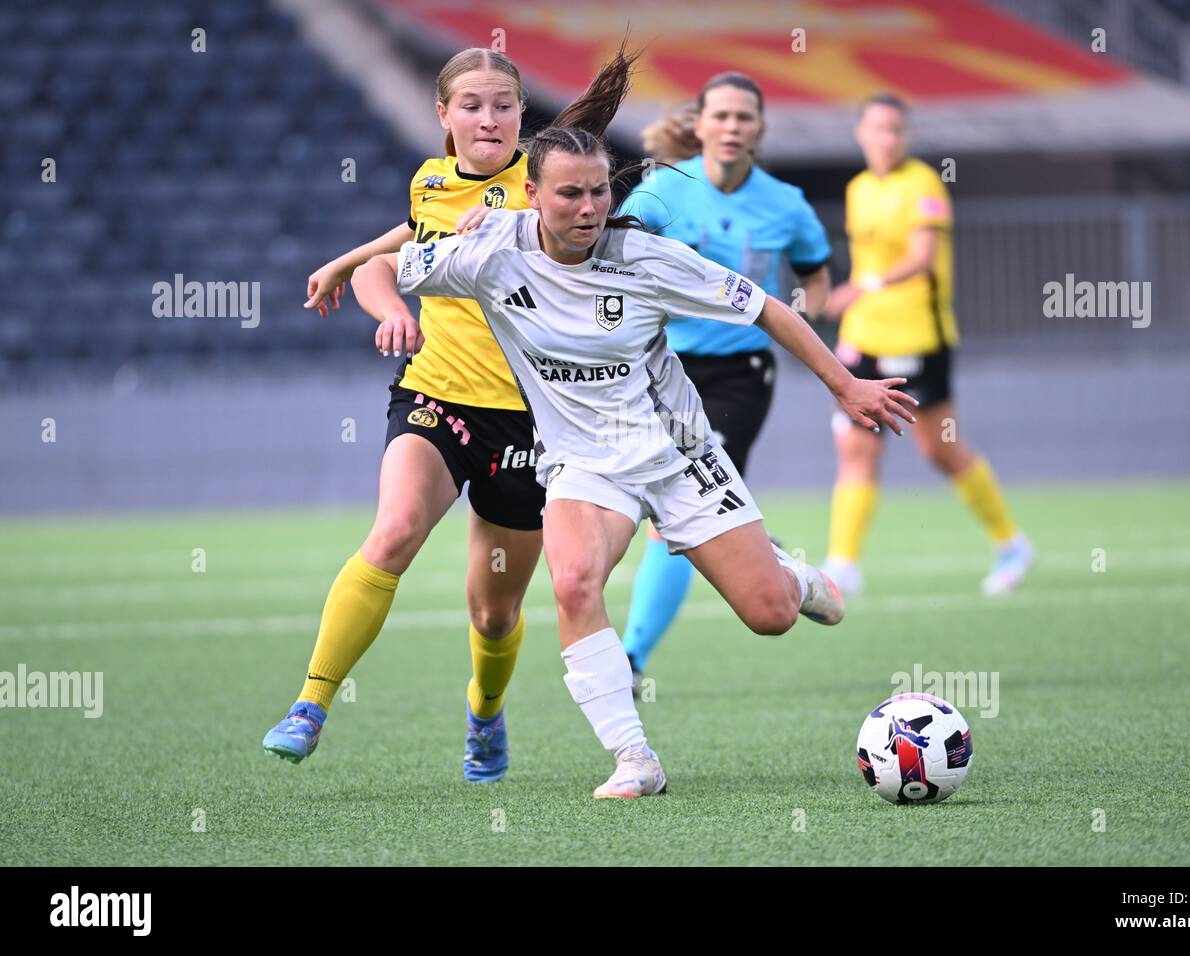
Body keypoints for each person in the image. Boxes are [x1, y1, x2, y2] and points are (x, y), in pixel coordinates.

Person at [350, 45, 919, 798]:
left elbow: (770, 307)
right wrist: (389, 307)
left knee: (770, 616)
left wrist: (846, 385)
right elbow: (380, 266)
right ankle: (635, 759)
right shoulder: (490, 251)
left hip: (678, 453)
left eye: (596, 194)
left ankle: (787, 574)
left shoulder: (645, 257)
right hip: (583, 462)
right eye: (568, 197)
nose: (587, 210)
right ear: (531, 192)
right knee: (576, 582)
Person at [261, 48, 542, 782]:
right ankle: (310, 704)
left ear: (522, 113)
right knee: (393, 531)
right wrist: (362, 278)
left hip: (531, 423)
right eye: (473, 104)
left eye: (505, 103)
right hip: (437, 393)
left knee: (494, 615)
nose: (490, 117)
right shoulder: (431, 178)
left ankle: (484, 710)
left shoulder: (548, 187)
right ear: (443, 116)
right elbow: (408, 238)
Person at [615, 73, 833, 682]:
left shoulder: (786, 203)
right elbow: (606, 255)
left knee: (675, 511)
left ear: (759, 129)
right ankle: (765, 553)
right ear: (700, 123)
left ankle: (631, 659)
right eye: (722, 116)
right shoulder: (661, 193)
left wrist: (801, 319)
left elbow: (815, 277)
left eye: (745, 118)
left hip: (743, 373)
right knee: (662, 506)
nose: (733, 127)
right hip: (661, 368)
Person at [821, 93, 1032, 597]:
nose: (887, 138)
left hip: (920, 337)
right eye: (878, 128)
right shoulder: (857, 189)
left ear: (906, 136)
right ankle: (843, 562)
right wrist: (852, 317)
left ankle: (1011, 542)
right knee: (855, 447)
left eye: (896, 129)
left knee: (939, 450)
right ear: (861, 133)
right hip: (865, 338)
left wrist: (861, 288)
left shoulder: (924, 184)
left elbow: (922, 256)